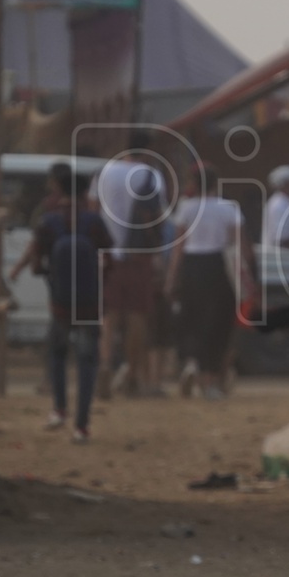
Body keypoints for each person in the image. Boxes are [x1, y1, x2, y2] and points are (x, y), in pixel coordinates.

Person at [12, 170, 111, 442]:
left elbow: (35, 264)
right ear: (83, 193)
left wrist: (48, 274)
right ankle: (82, 426)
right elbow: (108, 257)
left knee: (56, 352)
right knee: (88, 359)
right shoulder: (94, 222)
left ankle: (59, 408)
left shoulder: (49, 222)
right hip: (90, 303)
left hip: (60, 303)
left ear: (60, 192)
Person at [165, 166, 251, 401]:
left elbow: (178, 248)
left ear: (195, 184)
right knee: (217, 324)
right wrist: (247, 279)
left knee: (192, 319)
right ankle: (210, 380)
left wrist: (172, 277)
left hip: (192, 267)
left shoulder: (186, 208)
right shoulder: (228, 208)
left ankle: (193, 365)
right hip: (218, 267)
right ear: (216, 184)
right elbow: (240, 246)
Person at [96, 143, 167, 397]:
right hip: (139, 257)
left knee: (109, 316)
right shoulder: (151, 175)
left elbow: (96, 209)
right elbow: (156, 220)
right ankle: (132, 374)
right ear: (148, 151)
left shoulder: (106, 172)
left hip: (108, 255)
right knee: (138, 317)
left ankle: (104, 364)